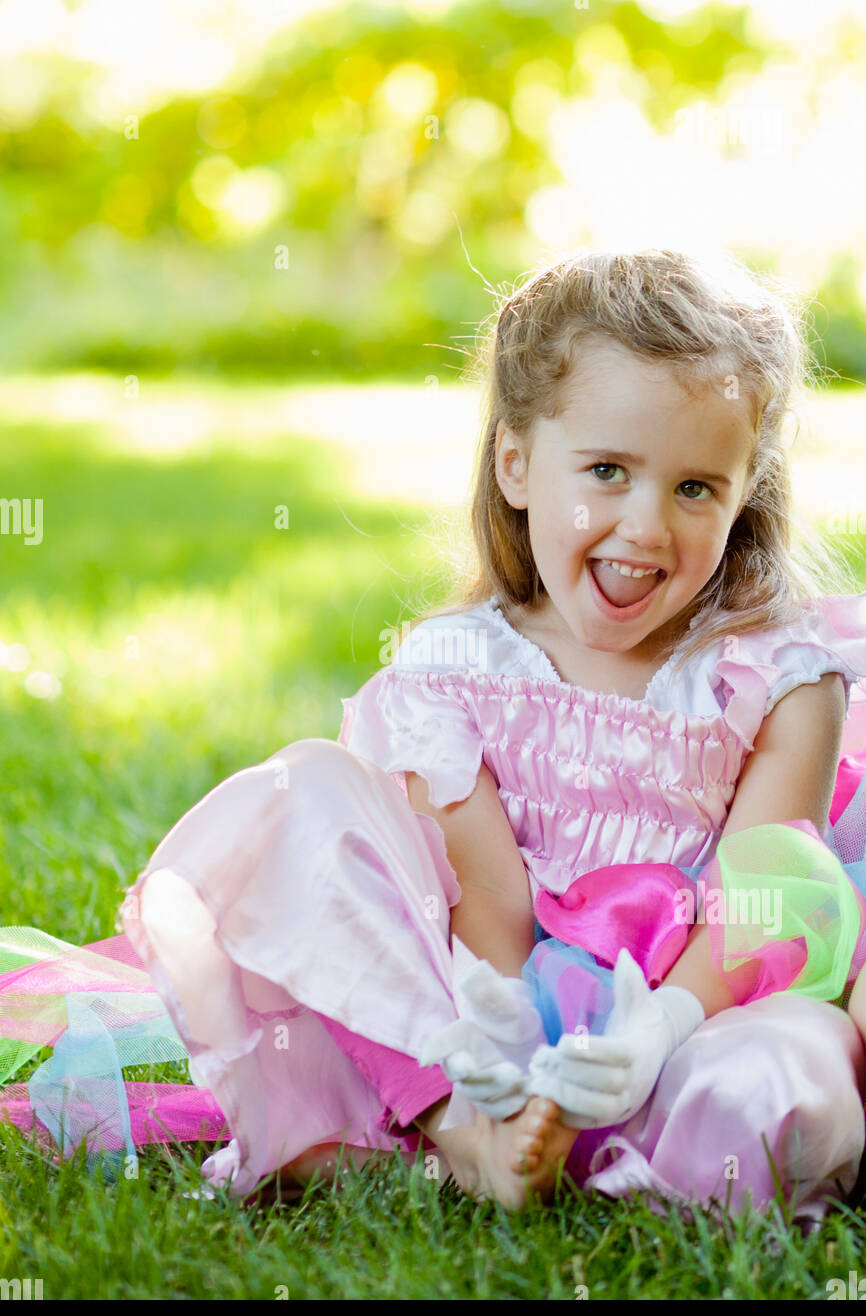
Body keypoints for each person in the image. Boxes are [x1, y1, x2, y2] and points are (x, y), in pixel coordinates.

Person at [111, 250, 866, 1220]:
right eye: (605, 470)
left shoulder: (780, 678)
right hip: (486, 1004)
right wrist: (498, 1038)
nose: (645, 525)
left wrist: (656, 1029)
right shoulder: (456, 667)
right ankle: (469, 1128)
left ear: (740, 487)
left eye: (693, 488)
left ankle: (645, 1144)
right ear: (515, 462)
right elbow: (488, 903)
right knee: (302, 797)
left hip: (694, 1006)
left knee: (781, 1078)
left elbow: (763, 894)